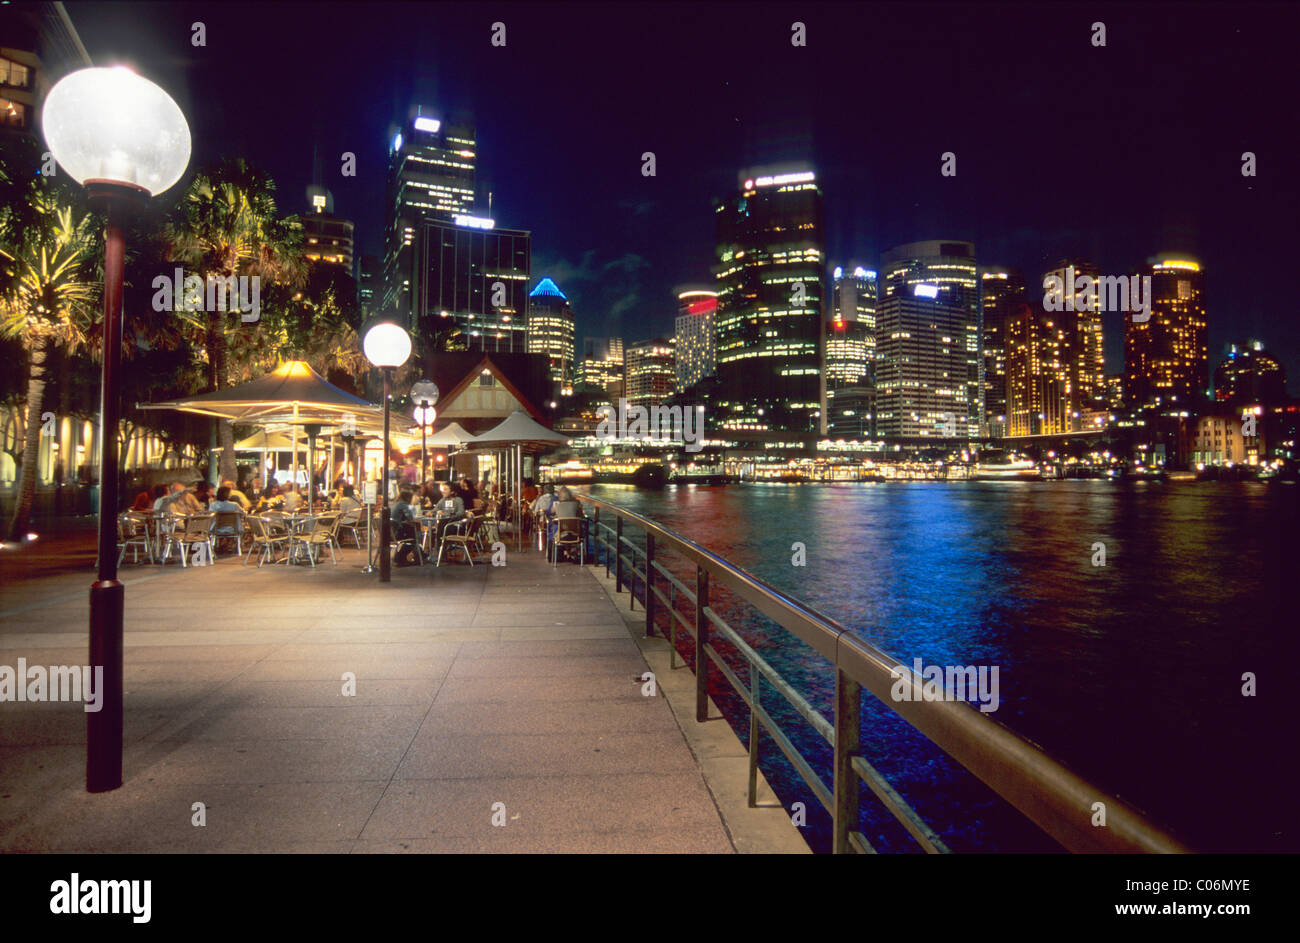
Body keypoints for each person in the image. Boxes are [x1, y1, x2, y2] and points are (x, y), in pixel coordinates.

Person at [390, 489, 420, 566]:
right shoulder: (403, 504)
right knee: (414, 536)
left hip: (390, 533)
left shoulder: (395, 504)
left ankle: (399, 557)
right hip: (396, 533)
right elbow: (410, 517)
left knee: (411, 532)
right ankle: (401, 558)